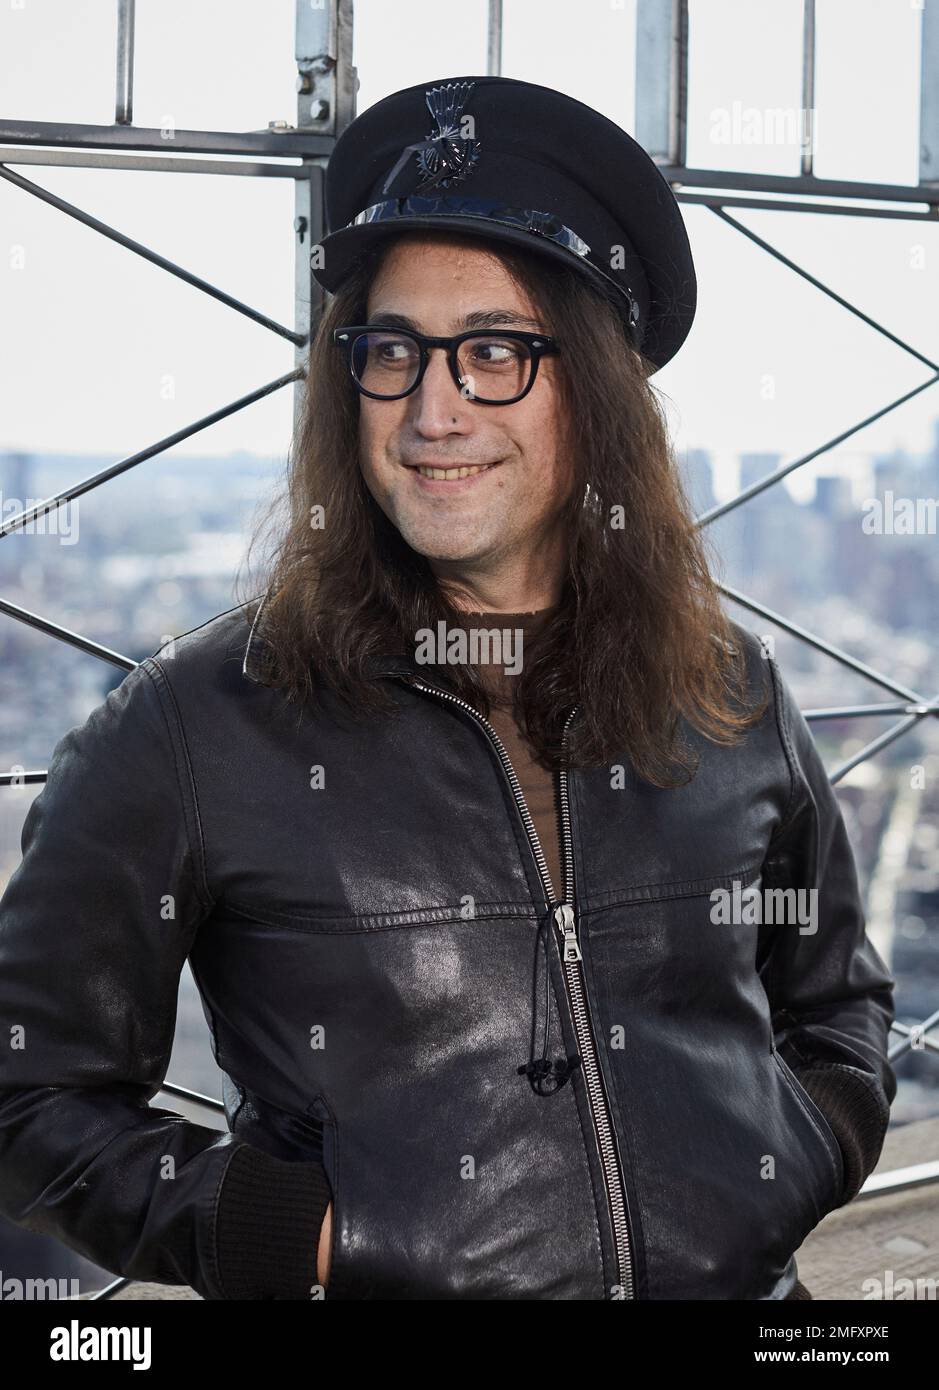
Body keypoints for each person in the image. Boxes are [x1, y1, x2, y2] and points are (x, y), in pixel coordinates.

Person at [0, 76, 895, 1301]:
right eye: (392, 352)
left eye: (492, 353)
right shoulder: (194, 723)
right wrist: (302, 1241)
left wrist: (803, 1152)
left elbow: (837, 993)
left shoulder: (727, 684)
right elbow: (28, 1088)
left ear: (594, 386)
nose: (431, 412)